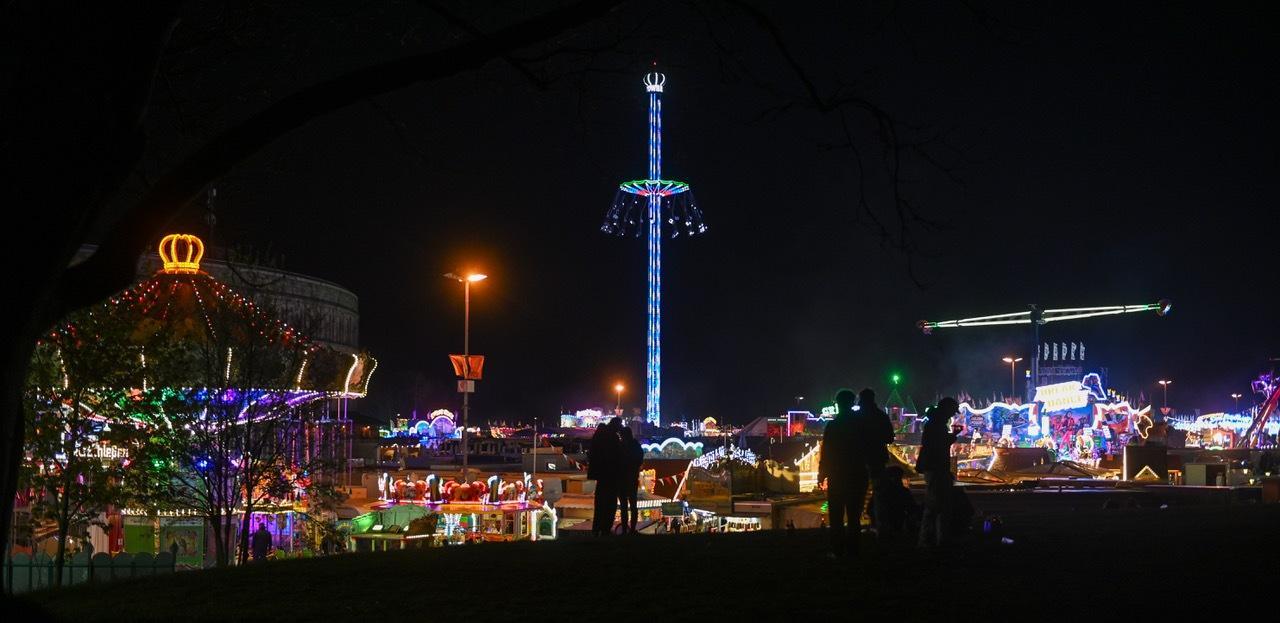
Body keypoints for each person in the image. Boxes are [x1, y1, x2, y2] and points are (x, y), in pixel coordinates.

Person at [817, 388, 868, 558]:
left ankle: (838, 549)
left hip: (838, 475)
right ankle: (854, 549)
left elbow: (827, 452)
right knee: (854, 516)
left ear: (838, 404)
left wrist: (822, 473)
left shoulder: (833, 425)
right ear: (853, 402)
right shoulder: (861, 425)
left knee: (836, 516)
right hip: (858, 474)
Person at [916, 398, 960, 548]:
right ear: (946, 409)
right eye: (952, 411)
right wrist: (952, 436)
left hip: (934, 467)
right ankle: (930, 540)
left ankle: (931, 539)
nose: (952, 415)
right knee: (935, 504)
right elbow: (937, 446)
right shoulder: (937, 424)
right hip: (936, 467)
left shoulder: (935, 422)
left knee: (936, 503)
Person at [856, 388, 895, 533]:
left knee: (858, 493)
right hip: (877, 458)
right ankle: (880, 526)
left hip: (858, 459)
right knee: (879, 493)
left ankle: (856, 525)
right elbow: (889, 438)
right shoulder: (881, 416)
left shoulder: (856, 417)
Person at [588, 420, 620, 536]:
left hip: (601, 475)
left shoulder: (601, 434)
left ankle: (597, 528)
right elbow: (616, 456)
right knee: (610, 504)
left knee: (600, 504)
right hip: (610, 475)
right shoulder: (612, 437)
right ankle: (606, 528)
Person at [616, 426, 644, 534]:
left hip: (622, 479)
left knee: (624, 506)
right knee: (633, 505)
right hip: (632, 478)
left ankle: (625, 530)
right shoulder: (636, 446)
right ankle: (632, 529)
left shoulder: (620, 446)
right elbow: (640, 460)